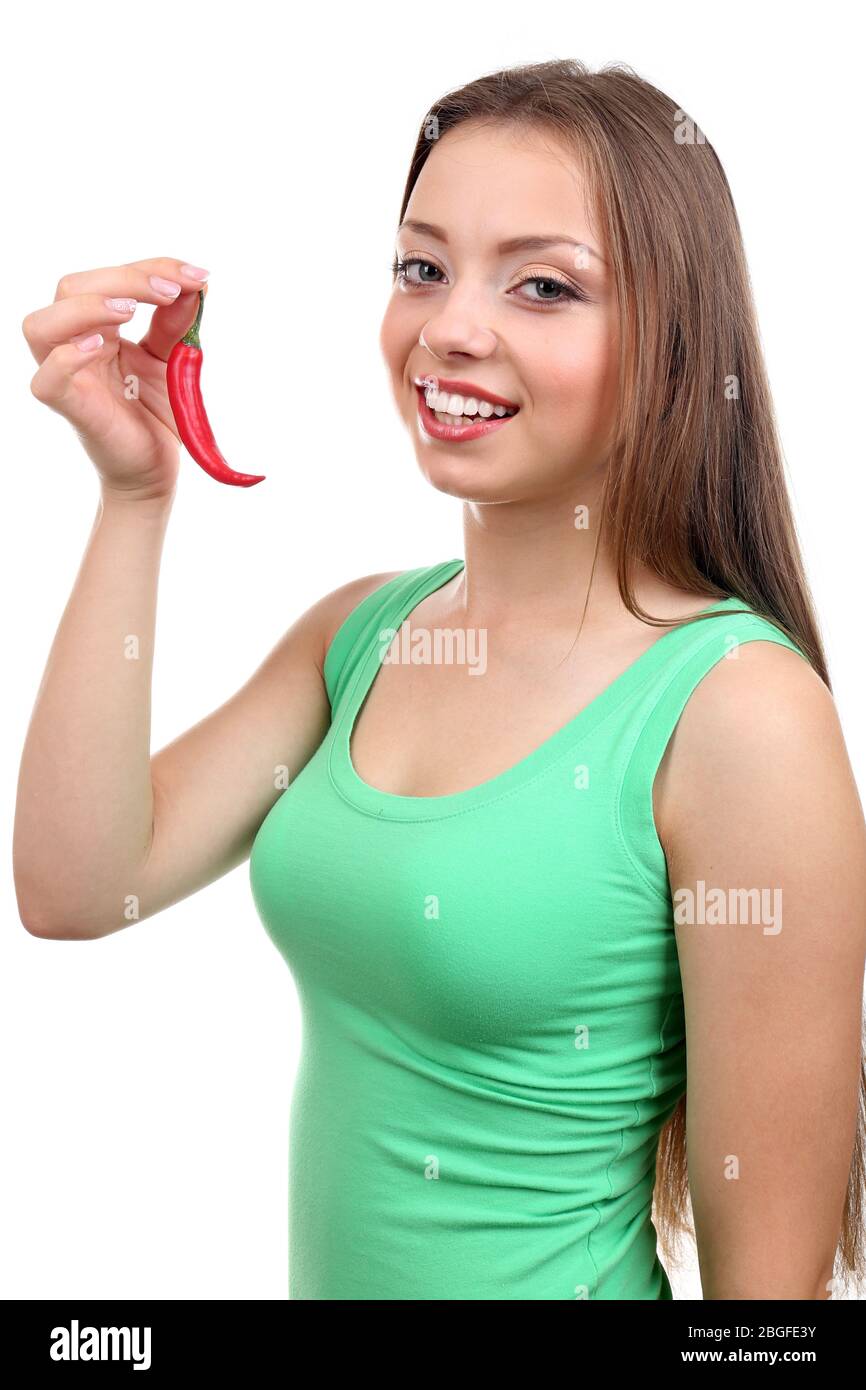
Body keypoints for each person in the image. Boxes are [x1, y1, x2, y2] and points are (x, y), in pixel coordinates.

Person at [14, 58, 866, 1301]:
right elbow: (80, 885)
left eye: (542, 285)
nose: (451, 328)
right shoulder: (360, 635)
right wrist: (134, 493)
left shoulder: (735, 712)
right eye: (422, 267)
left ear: (676, 342)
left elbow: (765, 1314)